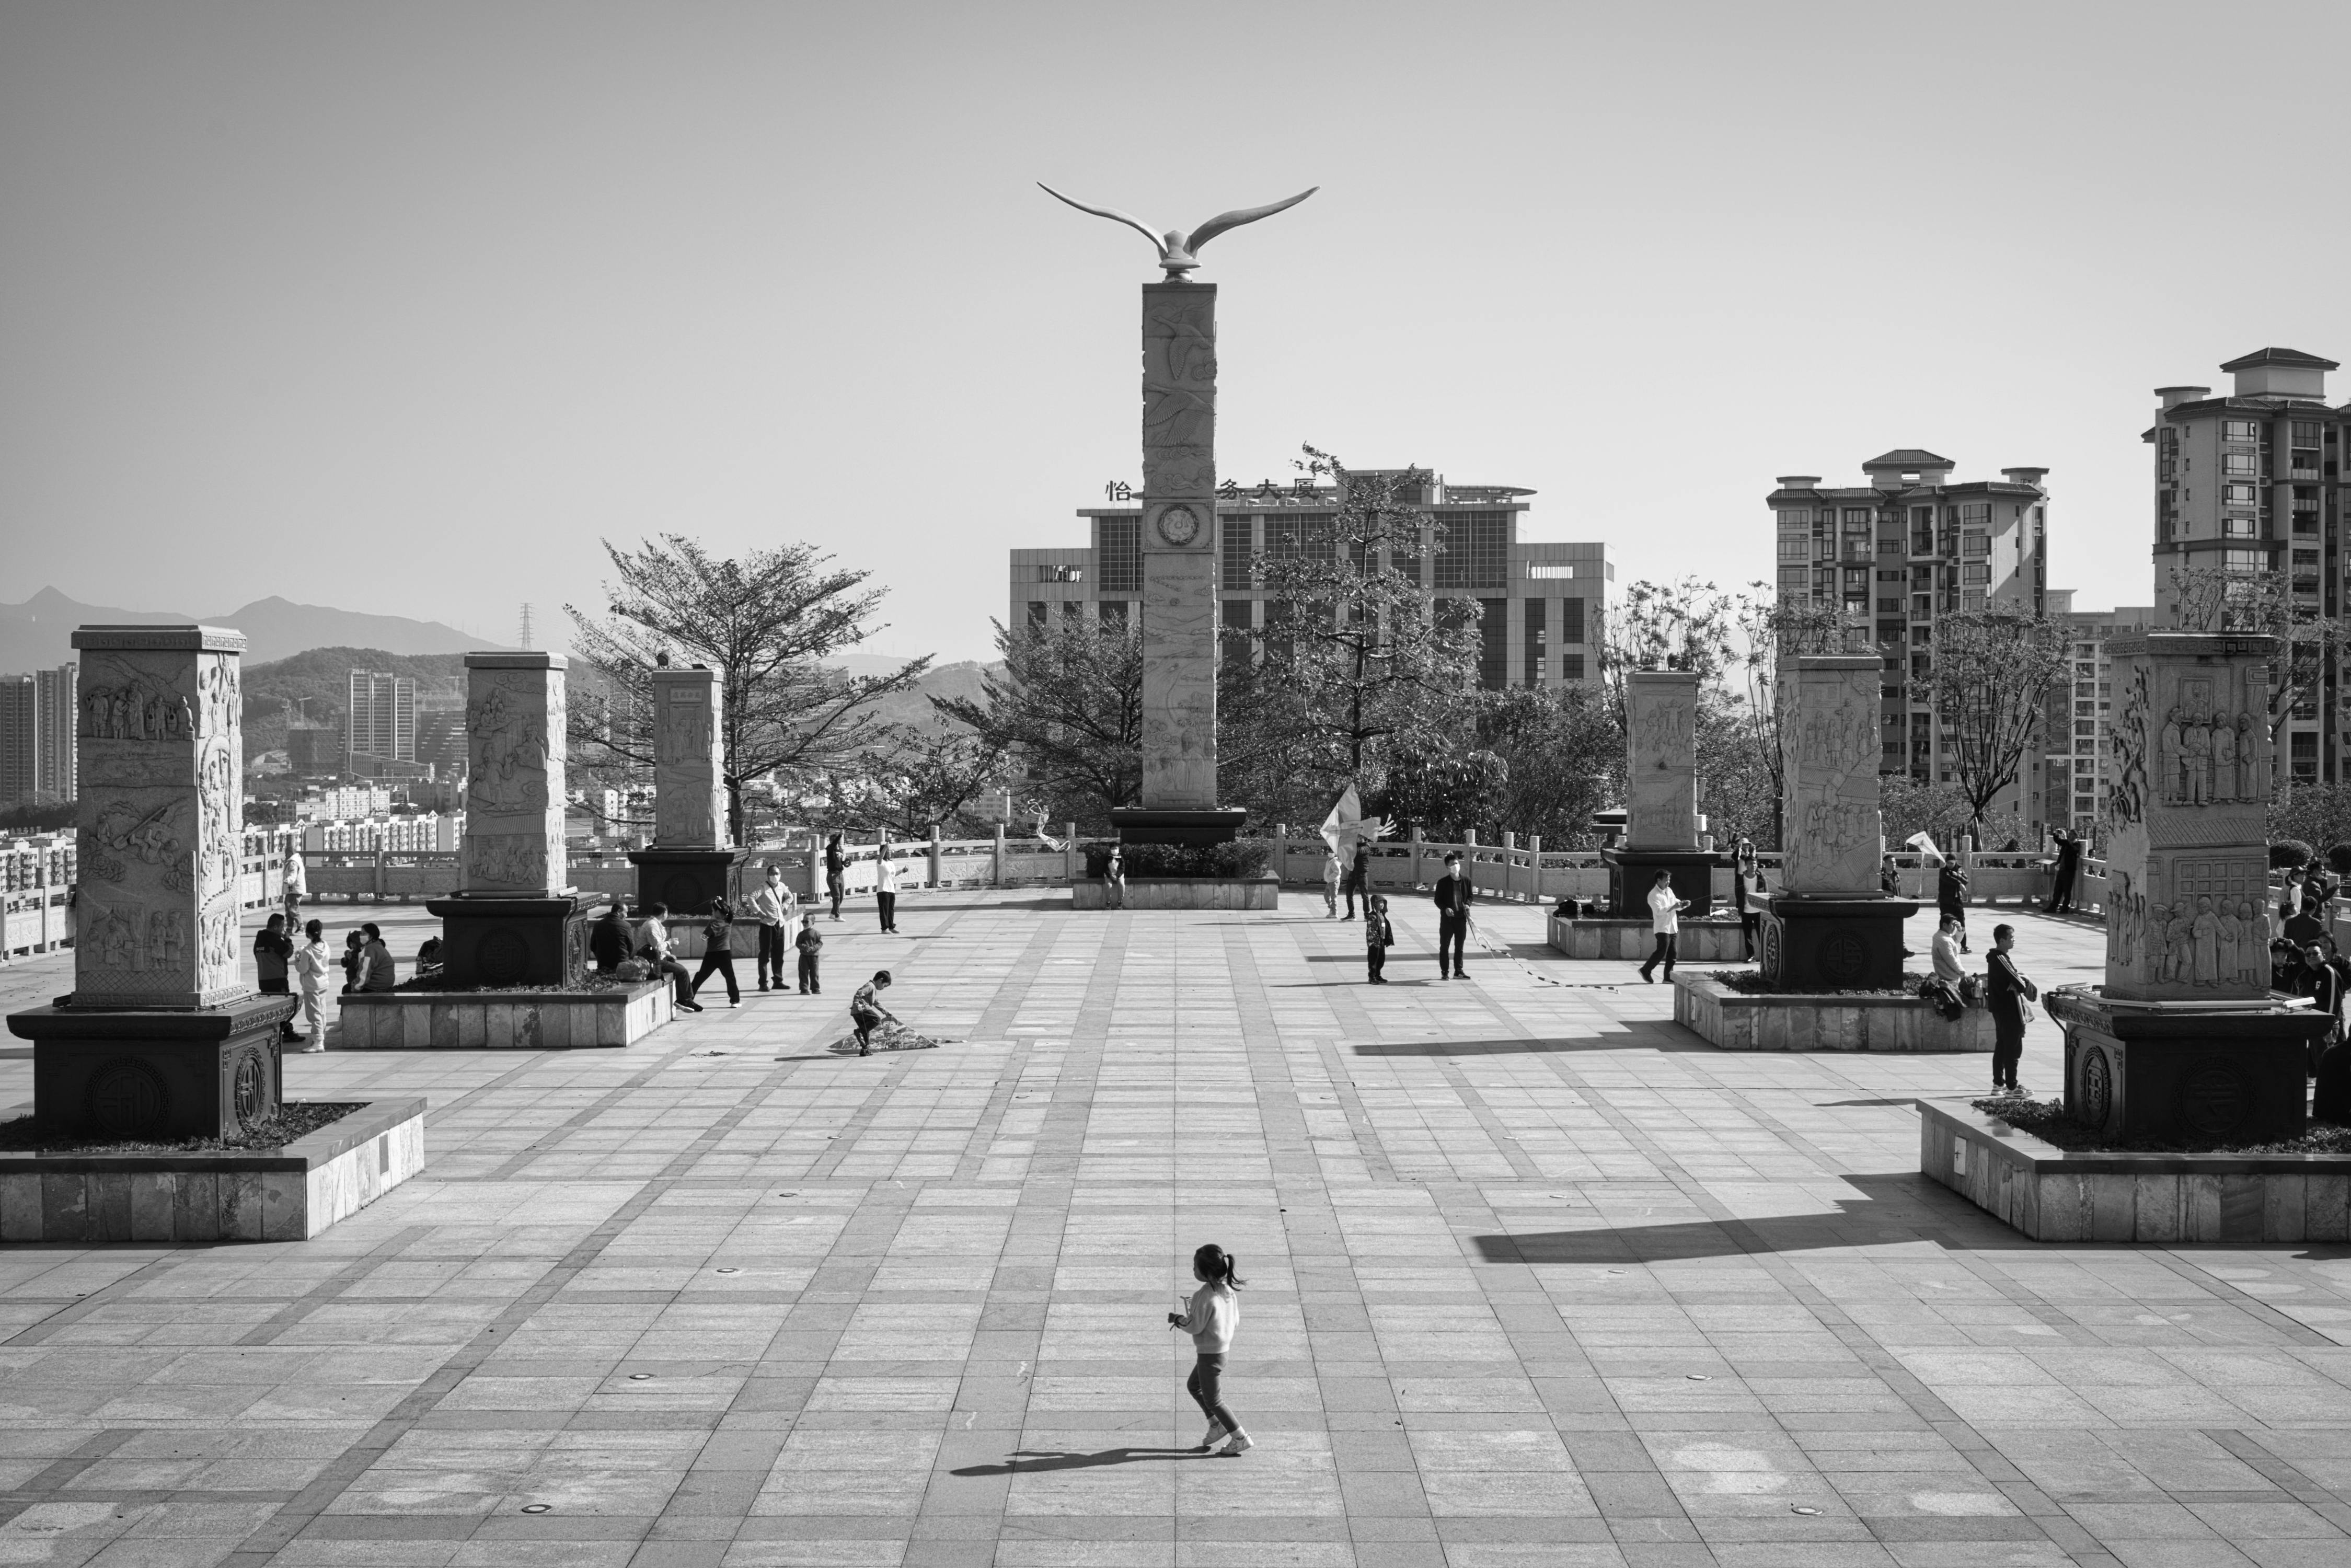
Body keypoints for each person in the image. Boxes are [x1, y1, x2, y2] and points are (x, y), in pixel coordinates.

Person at [1168, 1243, 1251, 1457]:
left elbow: (1194, 1326)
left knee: (1214, 1400)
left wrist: (1178, 1320)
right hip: (1222, 1351)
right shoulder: (1227, 1291)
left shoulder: (1203, 1296)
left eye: (1195, 1267)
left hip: (1209, 1354)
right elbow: (1236, 1320)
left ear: (1206, 1272)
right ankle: (1216, 1424)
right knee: (1194, 1386)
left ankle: (1240, 1437)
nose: (1192, 1270)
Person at [1985, 923, 2037, 1094]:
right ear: (2002, 941)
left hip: (2000, 1009)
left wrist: (2017, 979)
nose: (2014, 941)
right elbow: (2021, 985)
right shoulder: (2000, 958)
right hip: (2008, 1009)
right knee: (2013, 1048)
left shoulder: (1995, 958)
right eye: (2011, 938)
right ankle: (2013, 1087)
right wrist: (2021, 979)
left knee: (2002, 1046)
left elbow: (2015, 979)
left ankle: (1998, 1084)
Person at [636, 902, 701, 1012]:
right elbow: (657, 947)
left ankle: (682, 1000)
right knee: (683, 971)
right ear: (664, 913)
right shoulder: (652, 926)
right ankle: (687, 1000)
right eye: (667, 912)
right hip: (652, 962)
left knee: (679, 969)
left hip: (656, 959)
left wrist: (668, 954)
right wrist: (669, 943)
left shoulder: (655, 924)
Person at [1637, 870, 1689, 984]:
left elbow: (1676, 903)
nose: (1668, 883)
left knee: (1673, 953)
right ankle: (1646, 970)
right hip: (1662, 928)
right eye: (1666, 880)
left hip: (1672, 926)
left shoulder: (1669, 891)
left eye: (1669, 880)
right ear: (1658, 880)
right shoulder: (1653, 895)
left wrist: (1683, 904)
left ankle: (1668, 977)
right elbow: (1659, 911)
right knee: (1662, 951)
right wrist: (1674, 906)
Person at [689, 899, 742, 1008]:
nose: (712, 913)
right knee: (730, 978)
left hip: (712, 955)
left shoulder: (713, 925)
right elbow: (728, 912)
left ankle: (688, 998)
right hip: (725, 954)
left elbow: (704, 938)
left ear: (718, 912)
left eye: (713, 911)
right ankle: (735, 1001)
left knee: (700, 977)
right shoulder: (728, 922)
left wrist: (709, 924)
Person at [751, 865, 794, 991]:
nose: (775, 876)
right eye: (772, 873)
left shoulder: (782, 886)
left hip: (779, 924)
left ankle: (778, 980)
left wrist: (785, 906)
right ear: (768, 875)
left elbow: (790, 897)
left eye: (777, 873)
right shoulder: (763, 887)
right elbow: (751, 898)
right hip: (767, 925)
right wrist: (758, 912)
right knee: (764, 955)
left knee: (779, 955)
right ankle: (763, 983)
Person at [253, 914, 298, 1038]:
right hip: (278, 979)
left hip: (263, 979)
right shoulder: (275, 939)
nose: (283, 931)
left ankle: (272, 1032)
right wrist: (288, 939)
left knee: (270, 1007)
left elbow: (257, 956)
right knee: (285, 1005)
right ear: (274, 928)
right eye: (281, 927)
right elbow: (288, 953)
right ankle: (288, 1032)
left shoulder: (259, 939)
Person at [291, 918, 330, 1052]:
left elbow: (303, 969)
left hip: (312, 985)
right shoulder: (325, 945)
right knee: (322, 1012)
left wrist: (298, 959)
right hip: (324, 982)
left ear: (308, 933)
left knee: (314, 1014)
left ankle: (318, 1042)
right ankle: (320, 1038)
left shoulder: (308, 951)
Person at [1433, 851, 1473, 980]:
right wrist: (1445, 909)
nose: (1455, 866)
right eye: (1452, 864)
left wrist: (1467, 904)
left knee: (1459, 946)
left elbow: (1470, 896)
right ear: (1447, 868)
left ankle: (1458, 971)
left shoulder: (1466, 881)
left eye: (1456, 863)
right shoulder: (1443, 883)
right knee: (1445, 946)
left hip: (1461, 919)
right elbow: (1438, 900)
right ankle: (1445, 971)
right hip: (1448, 920)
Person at [849, 969, 898, 1055]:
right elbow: (859, 994)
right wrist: (858, 1004)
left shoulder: (873, 989)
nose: (883, 989)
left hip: (856, 1012)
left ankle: (865, 1050)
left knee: (866, 1032)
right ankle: (859, 1032)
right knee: (876, 1019)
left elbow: (875, 1001)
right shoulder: (870, 986)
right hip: (862, 1009)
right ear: (881, 980)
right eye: (884, 986)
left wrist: (885, 1011)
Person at [1732, 842, 1763, 953]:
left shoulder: (1761, 878)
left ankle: (1764, 956)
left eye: (1755, 864)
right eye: (1750, 864)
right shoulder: (1741, 879)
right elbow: (1738, 893)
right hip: (1746, 910)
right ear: (1746, 865)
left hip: (1759, 910)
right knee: (1747, 935)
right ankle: (1751, 955)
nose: (1753, 866)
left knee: (1762, 934)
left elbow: (1765, 892)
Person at [2045, 828, 2084, 915]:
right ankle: (2053, 907)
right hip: (2061, 869)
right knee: (2057, 890)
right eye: (2069, 835)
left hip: (2069, 871)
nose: (2069, 837)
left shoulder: (2076, 844)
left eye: (2071, 835)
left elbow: (2073, 850)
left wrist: (2066, 839)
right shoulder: (2066, 843)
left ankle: (2065, 908)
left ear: (2076, 836)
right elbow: (2058, 841)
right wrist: (2056, 833)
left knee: (2067, 891)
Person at [589, 902, 632, 974]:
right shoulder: (626, 926)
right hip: (621, 965)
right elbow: (631, 946)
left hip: (603, 964)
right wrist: (624, 958)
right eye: (625, 913)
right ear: (619, 912)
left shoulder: (598, 925)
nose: (626, 916)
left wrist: (600, 957)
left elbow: (593, 946)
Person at [1938, 860, 1971, 953]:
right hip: (1946, 902)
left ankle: (1964, 946)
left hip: (1957, 901)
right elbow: (1949, 879)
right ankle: (1942, 944)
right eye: (1948, 863)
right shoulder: (1943, 871)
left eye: (1952, 863)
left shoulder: (1959, 870)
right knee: (1944, 923)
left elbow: (1966, 880)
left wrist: (1957, 875)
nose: (1950, 865)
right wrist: (1959, 882)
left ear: (1955, 863)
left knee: (1962, 923)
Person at [357, 923, 397, 993]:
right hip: (386, 984)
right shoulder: (378, 946)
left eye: (364, 934)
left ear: (371, 936)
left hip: (376, 985)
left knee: (347, 989)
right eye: (361, 934)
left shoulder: (370, 949)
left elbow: (365, 972)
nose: (361, 936)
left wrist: (356, 987)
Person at [1364, 894, 1393, 983]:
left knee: (1381, 959)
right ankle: (1372, 977)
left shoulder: (1382, 915)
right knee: (1373, 960)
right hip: (1375, 942)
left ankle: (1378, 975)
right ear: (1375, 904)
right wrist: (1375, 942)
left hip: (1382, 941)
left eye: (1383, 903)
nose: (1382, 905)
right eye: (1380, 903)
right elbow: (1371, 930)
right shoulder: (1372, 916)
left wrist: (1386, 940)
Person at [794, 912, 823, 995]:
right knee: (803, 973)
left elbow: (820, 943)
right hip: (804, 956)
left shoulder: (816, 933)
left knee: (815, 973)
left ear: (813, 923)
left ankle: (815, 988)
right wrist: (805, 947)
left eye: (806, 922)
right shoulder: (801, 934)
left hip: (814, 957)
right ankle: (804, 989)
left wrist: (814, 948)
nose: (804, 923)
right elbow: (798, 943)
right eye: (803, 921)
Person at [875, 843, 901, 933]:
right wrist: (885, 847)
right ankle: (884, 928)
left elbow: (893, 875)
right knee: (884, 910)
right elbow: (880, 858)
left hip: (891, 889)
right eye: (887, 851)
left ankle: (891, 927)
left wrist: (902, 871)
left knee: (891, 910)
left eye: (889, 851)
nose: (889, 853)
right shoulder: (880, 863)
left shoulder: (891, 863)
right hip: (883, 889)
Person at [1343, 841, 1370, 921]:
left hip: (1362, 873)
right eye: (1358, 836)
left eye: (1361, 837)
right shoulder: (1353, 845)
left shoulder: (1367, 846)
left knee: (1365, 896)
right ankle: (1351, 914)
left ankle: (1367, 915)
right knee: (1349, 895)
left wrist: (1349, 848)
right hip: (1353, 872)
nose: (1359, 838)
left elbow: (1359, 851)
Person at [282, 847, 307, 925]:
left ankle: (301, 926)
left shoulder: (293, 862)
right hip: (292, 890)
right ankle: (289, 928)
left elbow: (293, 874)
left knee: (293, 909)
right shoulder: (296, 861)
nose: (286, 856)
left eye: (286, 854)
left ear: (291, 853)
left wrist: (289, 880)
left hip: (295, 890)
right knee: (288, 909)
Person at [825, 833, 846, 921]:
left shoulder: (841, 850)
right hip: (832, 875)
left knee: (841, 897)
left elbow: (839, 861)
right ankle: (837, 916)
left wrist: (845, 863)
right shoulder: (830, 849)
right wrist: (840, 835)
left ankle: (833, 913)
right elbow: (833, 845)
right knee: (836, 896)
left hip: (840, 874)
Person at [340, 929, 364, 994]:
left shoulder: (362, 953)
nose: (352, 946)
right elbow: (345, 965)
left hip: (357, 980)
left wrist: (351, 959)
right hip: (350, 979)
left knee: (346, 990)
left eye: (353, 944)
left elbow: (360, 966)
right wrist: (345, 959)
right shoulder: (352, 953)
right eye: (350, 944)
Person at [1321, 846, 1341, 918]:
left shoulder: (1335, 861)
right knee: (1326, 896)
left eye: (1332, 852)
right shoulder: (1329, 860)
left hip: (1334, 881)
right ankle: (1332, 909)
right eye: (1329, 851)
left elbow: (1338, 872)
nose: (1330, 853)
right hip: (1330, 882)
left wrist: (1330, 877)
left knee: (1333, 897)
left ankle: (1334, 913)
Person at [1104, 843, 1125, 910]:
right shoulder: (1107, 857)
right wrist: (1110, 876)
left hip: (1119, 876)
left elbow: (1122, 868)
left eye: (1116, 848)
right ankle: (1108, 902)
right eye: (1113, 849)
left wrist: (1117, 876)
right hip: (1109, 875)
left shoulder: (1121, 858)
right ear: (1110, 850)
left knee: (1122, 885)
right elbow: (1105, 868)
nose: (1114, 850)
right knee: (1108, 886)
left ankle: (1120, 902)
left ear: (1119, 849)